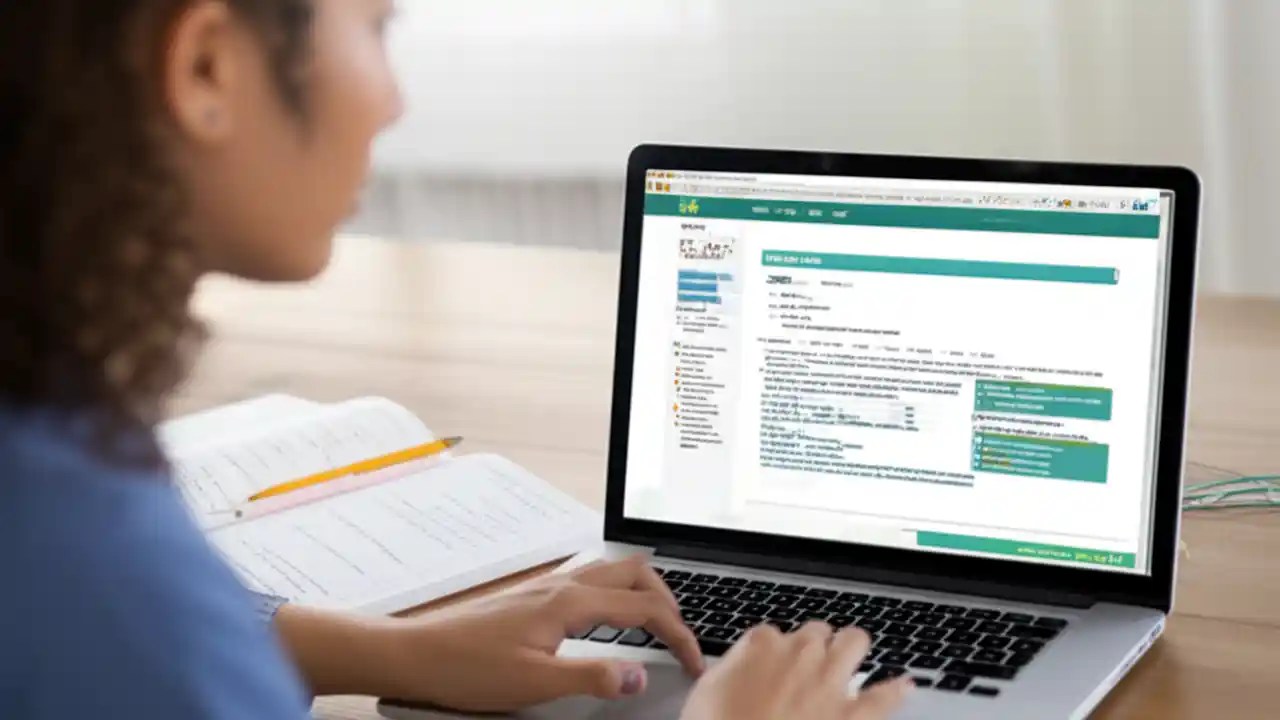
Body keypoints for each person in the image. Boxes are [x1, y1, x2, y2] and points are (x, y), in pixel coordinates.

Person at [0, 1, 913, 718]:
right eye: (374, 25)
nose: (394, 101)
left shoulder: (52, 450)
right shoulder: (87, 549)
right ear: (206, 65)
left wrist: (397, 651)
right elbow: (116, 620)